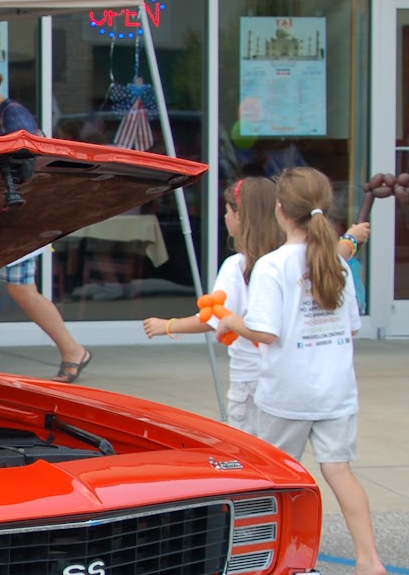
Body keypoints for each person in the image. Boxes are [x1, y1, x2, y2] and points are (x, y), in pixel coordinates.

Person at [215, 167, 389, 575]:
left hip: (287, 392)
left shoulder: (273, 266)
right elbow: (350, 328)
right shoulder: (338, 262)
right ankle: (368, 561)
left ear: (279, 210)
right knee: (339, 471)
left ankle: (251, 565)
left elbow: (266, 332)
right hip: (335, 390)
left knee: (268, 476)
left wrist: (234, 322)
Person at [142, 176, 368, 433]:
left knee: (254, 457)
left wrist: (168, 325)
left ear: (241, 217)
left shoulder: (241, 266)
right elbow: (337, 255)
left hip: (251, 378)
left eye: (227, 211)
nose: (224, 217)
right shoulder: (306, 259)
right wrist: (351, 238)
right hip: (290, 379)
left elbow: (213, 318)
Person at [0, 58, 90, 382]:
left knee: (21, 289)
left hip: (21, 212)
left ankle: (73, 350)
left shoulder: (14, 114)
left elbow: (35, 164)